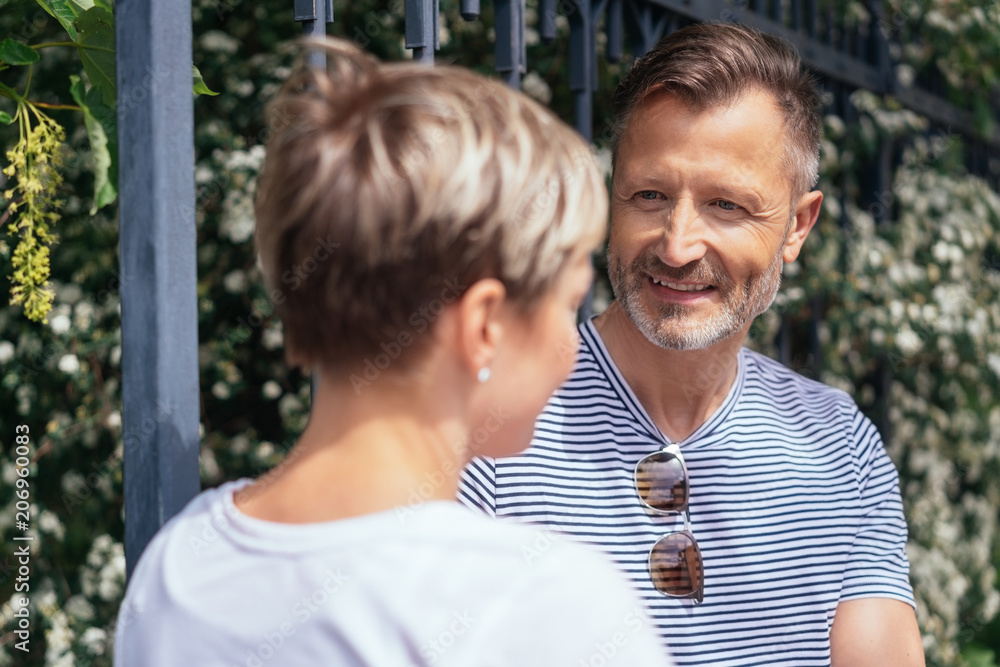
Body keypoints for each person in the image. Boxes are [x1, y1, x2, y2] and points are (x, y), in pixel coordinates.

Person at [113, 39, 674, 667]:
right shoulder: (542, 603)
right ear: (484, 323)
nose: (576, 344)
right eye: (568, 304)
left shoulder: (176, 567)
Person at [460, 22, 925, 667]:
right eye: (649, 195)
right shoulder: (487, 423)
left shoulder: (837, 448)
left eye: (727, 206)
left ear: (797, 225)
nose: (677, 246)